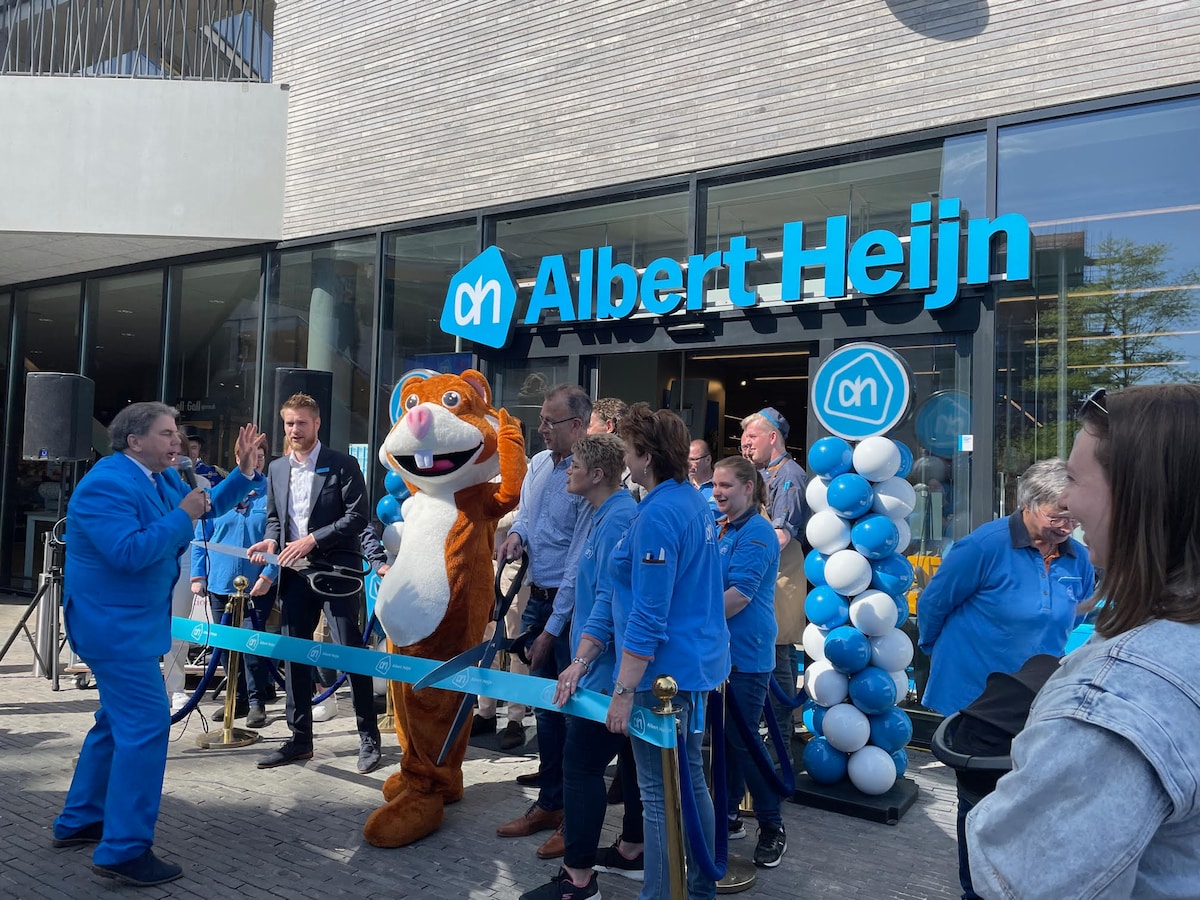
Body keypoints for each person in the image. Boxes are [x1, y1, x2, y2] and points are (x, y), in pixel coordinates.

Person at [968, 384, 1200, 898]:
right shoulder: (987, 542)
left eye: (1075, 478)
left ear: (1141, 495)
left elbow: (1023, 879)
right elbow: (939, 601)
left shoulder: (1117, 695)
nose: (1066, 501)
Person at [51, 403, 263, 887]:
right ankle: (124, 850)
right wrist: (183, 515)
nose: (176, 442)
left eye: (176, 433)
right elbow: (129, 553)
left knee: (114, 723)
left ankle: (80, 819)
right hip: (113, 631)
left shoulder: (161, 478)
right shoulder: (106, 483)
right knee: (146, 726)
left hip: (133, 629)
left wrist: (244, 474)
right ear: (133, 441)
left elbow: (202, 508)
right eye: (166, 434)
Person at [559, 403, 730, 900]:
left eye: (630, 450)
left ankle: (663, 894)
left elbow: (648, 614)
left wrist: (623, 689)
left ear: (647, 457)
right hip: (688, 668)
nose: (625, 458)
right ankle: (699, 887)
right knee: (691, 781)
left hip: (664, 677)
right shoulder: (691, 501)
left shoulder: (656, 514)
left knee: (657, 796)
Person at [521, 433, 644, 900]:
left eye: (573, 467)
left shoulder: (618, 521)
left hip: (608, 674)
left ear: (596, 474)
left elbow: (618, 603)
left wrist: (585, 663)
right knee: (627, 766)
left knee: (581, 767)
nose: (566, 472)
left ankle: (579, 880)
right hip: (599, 667)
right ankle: (633, 851)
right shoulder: (601, 514)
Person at [249, 393, 382, 774]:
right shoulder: (276, 468)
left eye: (301, 423)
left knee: (349, 651)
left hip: (336, 571)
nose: (294, 431)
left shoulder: (342, 464)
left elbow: (359, 517)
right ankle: (299, 739)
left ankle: (368, 736)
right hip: (294, 573)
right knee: (294, 653)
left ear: (317, 423)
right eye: (289, 423)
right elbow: (275, 518)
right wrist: (272, 541)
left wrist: (313, 538)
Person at [917, 457, 1095, 718]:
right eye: (1056, 518)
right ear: (1028, 504)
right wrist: (937, 651)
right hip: (972, 690)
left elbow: (1080, 614)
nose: (1067, 528)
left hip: (1035, 691)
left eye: (1074, 519)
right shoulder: (983, 546)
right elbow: (934, 603)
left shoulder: (1080, 559)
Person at [494, 385, 592, 851]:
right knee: (547, 712)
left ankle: (573, 820)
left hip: (573, 609)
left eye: (552, 421)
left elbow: (579, 558)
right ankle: (550, 802)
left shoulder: (589, 473)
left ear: (578, 426)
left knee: (574, 715)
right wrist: (516, 535)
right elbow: (527, 516)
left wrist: (555, 627)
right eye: (542, 420)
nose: (542, 428)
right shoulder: (537, 464)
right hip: (538, 595)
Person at [711, 455, 787, 867]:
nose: (718, 492)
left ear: (747, 488)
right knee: (724, 741)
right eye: (716, 485)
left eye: (726, 486)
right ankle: (727, 815)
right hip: (720, 654)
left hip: (745, 655)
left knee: (742, 741)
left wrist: (692, 621)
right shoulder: (723, 527)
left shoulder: (756, 532)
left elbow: (739, 595)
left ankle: (773, 826)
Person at [191, 434, 277, 729]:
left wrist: (269, 575)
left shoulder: (272, 494)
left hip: (256, 584)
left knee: (251, 643)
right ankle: (235, 698)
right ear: (238, 456)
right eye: (249, 454)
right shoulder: (222, 493)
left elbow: (278, 540)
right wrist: (197, 575)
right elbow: (201, 535)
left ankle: (257, 701)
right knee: (225, 645)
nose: (256, 459)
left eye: (260, 455)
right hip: (220, 581)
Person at [739, 407, 809, 768]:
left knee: (778, 659)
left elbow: (780, 536)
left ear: (772, 437)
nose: (744, 444)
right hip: (762, 580)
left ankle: (781, 748)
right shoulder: (762, 475)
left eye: (751, 437)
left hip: (779, 582)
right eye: (743, 438)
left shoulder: (789, 478)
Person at [688, 439, 719, 517]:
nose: (688, 464)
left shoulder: (721, 485)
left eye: (693, 459)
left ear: (708, 460)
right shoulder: (682, 486)